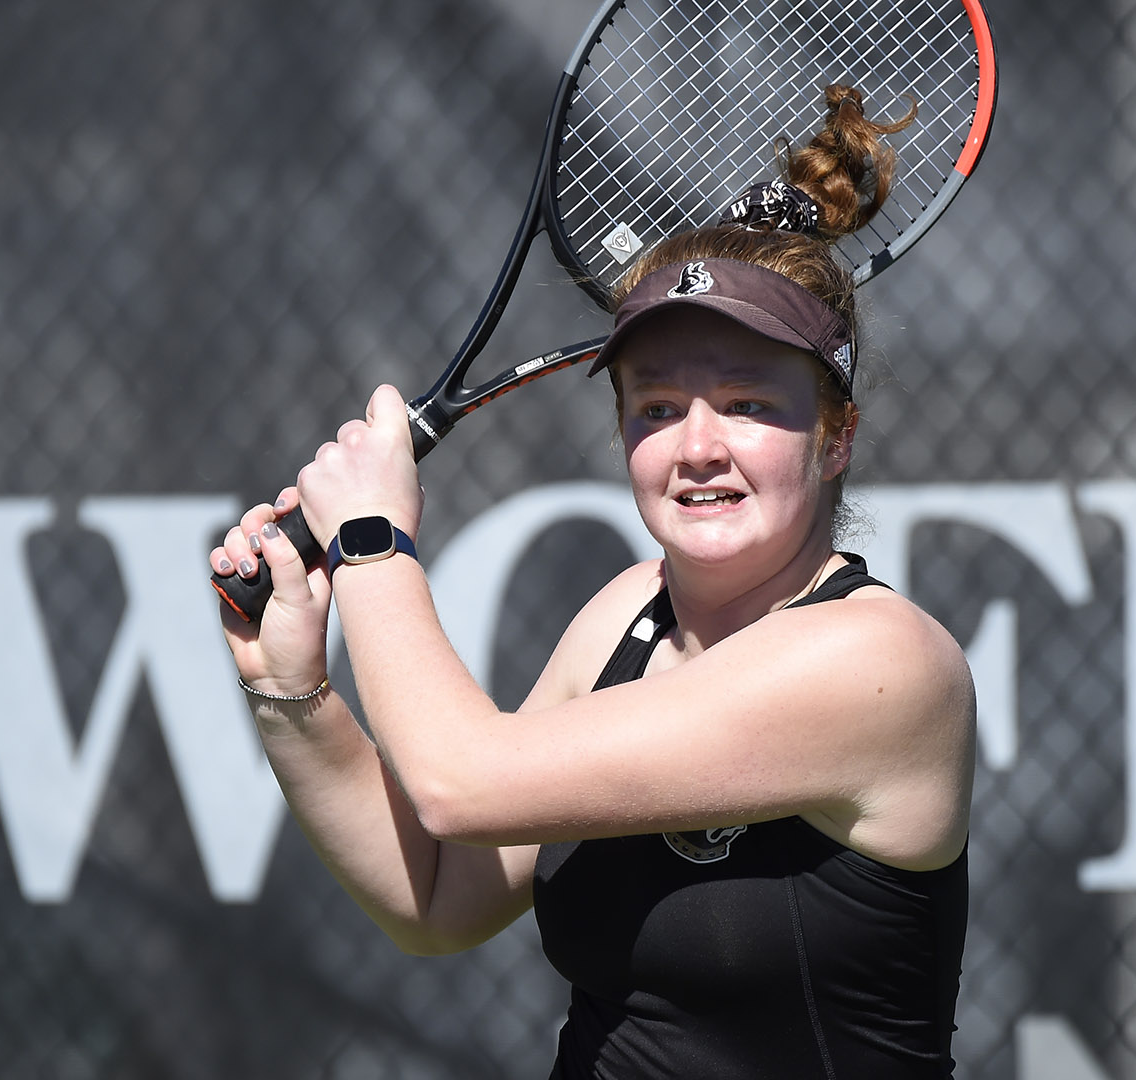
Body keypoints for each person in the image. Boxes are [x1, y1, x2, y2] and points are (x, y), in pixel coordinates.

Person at [211, 84, 976, 1078]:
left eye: (747, 404)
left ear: (836, 441)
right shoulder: (627, 614)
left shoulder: (882, 665)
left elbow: (459, 783)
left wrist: (370, 540)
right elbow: (440, 899)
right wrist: (290, 691)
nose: (697, 447)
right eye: (658, 408)